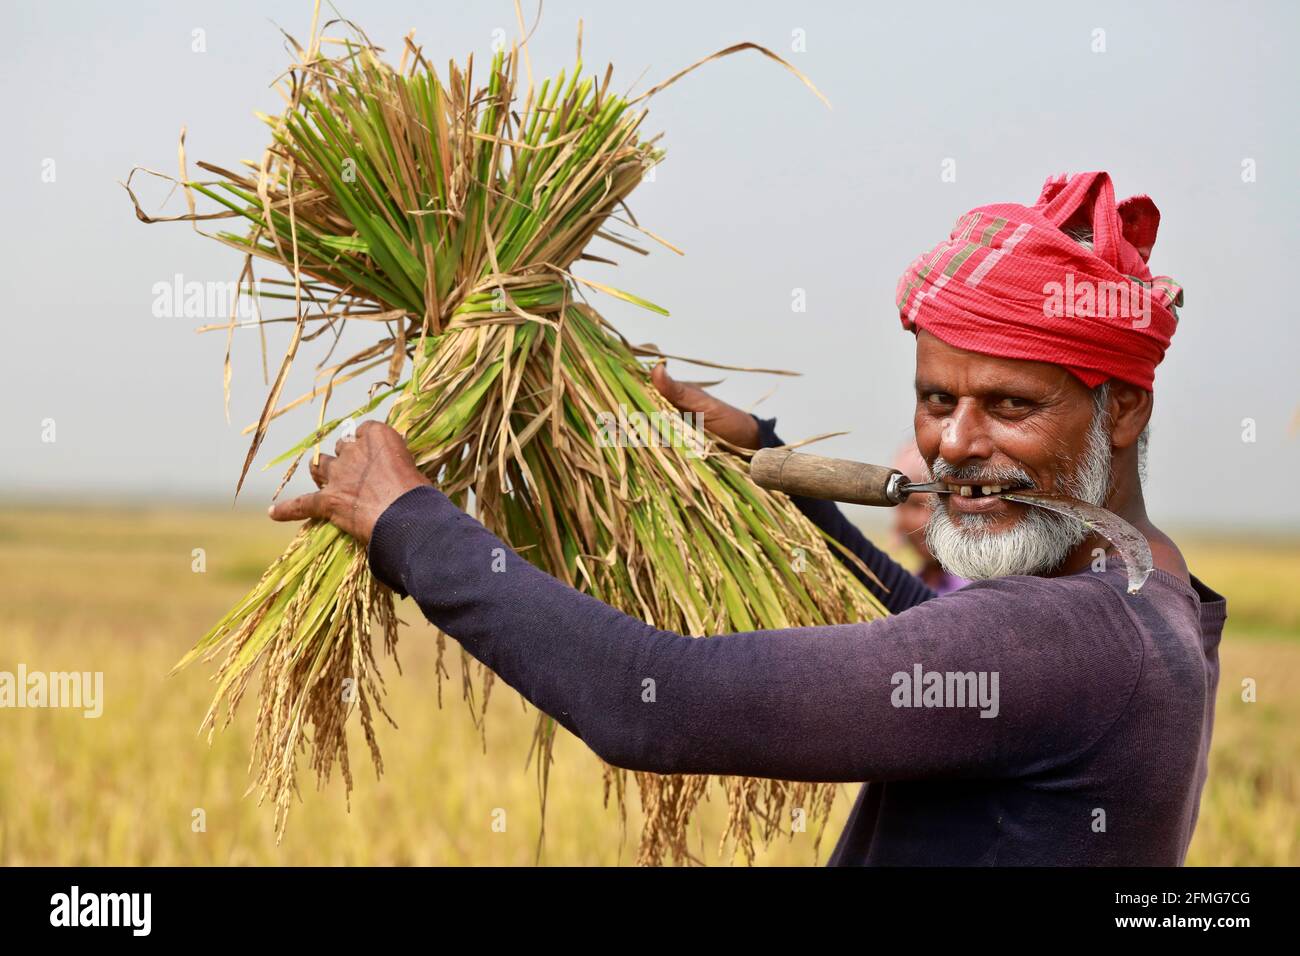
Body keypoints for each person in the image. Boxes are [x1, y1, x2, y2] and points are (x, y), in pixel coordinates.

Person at [269, 172, 1225, 865]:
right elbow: (936, 639)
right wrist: (760, 453)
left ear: (1124, 409)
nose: (954, 444)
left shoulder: (1062, 639)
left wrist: (410, 522)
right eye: (937, 400)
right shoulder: (1154, 594)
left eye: (1010, 406)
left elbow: (658, 699)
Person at [890, 440, 969, 595]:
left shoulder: (981, 593)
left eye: (938, 505)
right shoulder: (903, 590)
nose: (924, 522)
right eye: (914, 505)